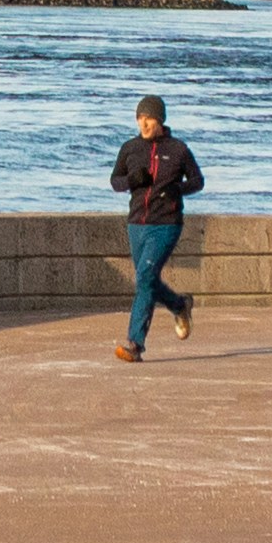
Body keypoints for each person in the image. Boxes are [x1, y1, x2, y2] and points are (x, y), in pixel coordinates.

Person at [110, 93, 203, 358]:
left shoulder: (178, 150)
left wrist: (179, 189)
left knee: (145, 278)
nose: (144, 124)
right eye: (140, 118)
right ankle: (179, 304)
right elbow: (115, 181)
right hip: (137, 223)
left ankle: (135, 344)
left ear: (160, 120)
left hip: (166, 223)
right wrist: (131, 180)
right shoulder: (130, 148)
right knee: (146, 280)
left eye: (149, 118)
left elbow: (197, 181)